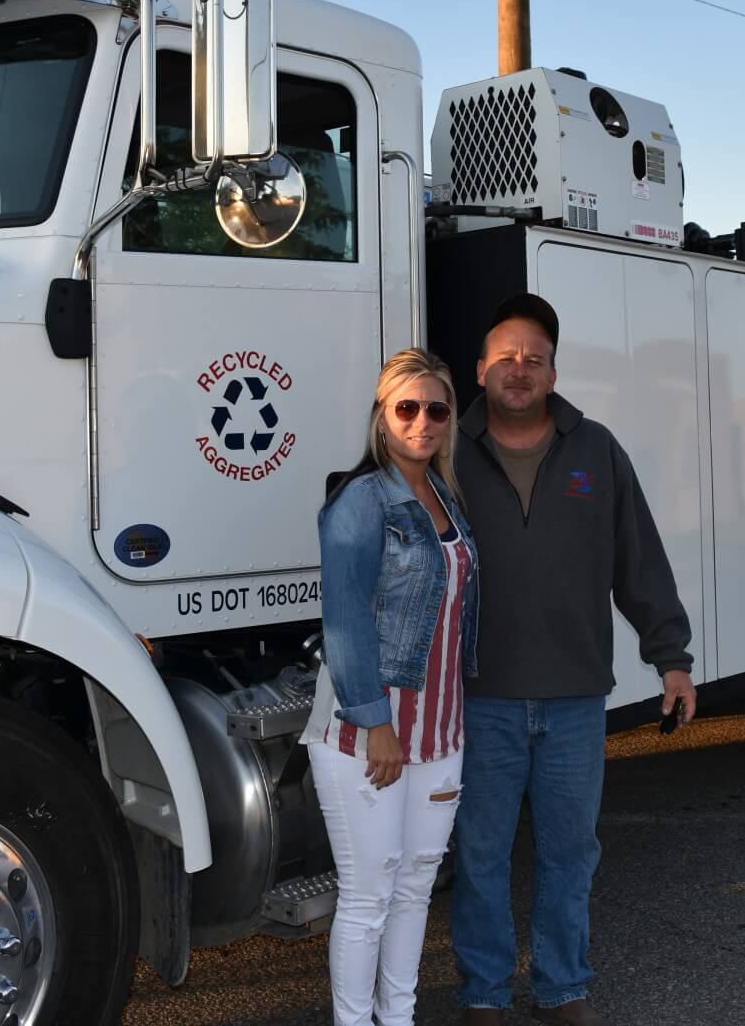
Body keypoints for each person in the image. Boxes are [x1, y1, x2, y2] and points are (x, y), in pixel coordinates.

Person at [450, 294, 697, 1026]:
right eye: (505, 359)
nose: (519, 371)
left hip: (575, 701)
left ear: (554, 372)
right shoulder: (448, 452)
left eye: (534, 359)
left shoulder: (597, 451)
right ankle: (484, 993)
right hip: (481, 698)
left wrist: (672, 659)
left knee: (570, 855)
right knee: (481, 857)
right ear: (480, 370)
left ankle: (562, 988)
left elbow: (640, 563)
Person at [302, 347, 481, 1026]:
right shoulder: (360, 500)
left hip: (440, 732)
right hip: (364, 732)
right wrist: (378, 724)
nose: (423, 421)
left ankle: (398, 1018)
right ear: (382, 419)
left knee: (414, 888)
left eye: (436, 409)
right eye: (407, 407)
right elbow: (345, 619)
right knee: (369, 894)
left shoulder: (446, 496)